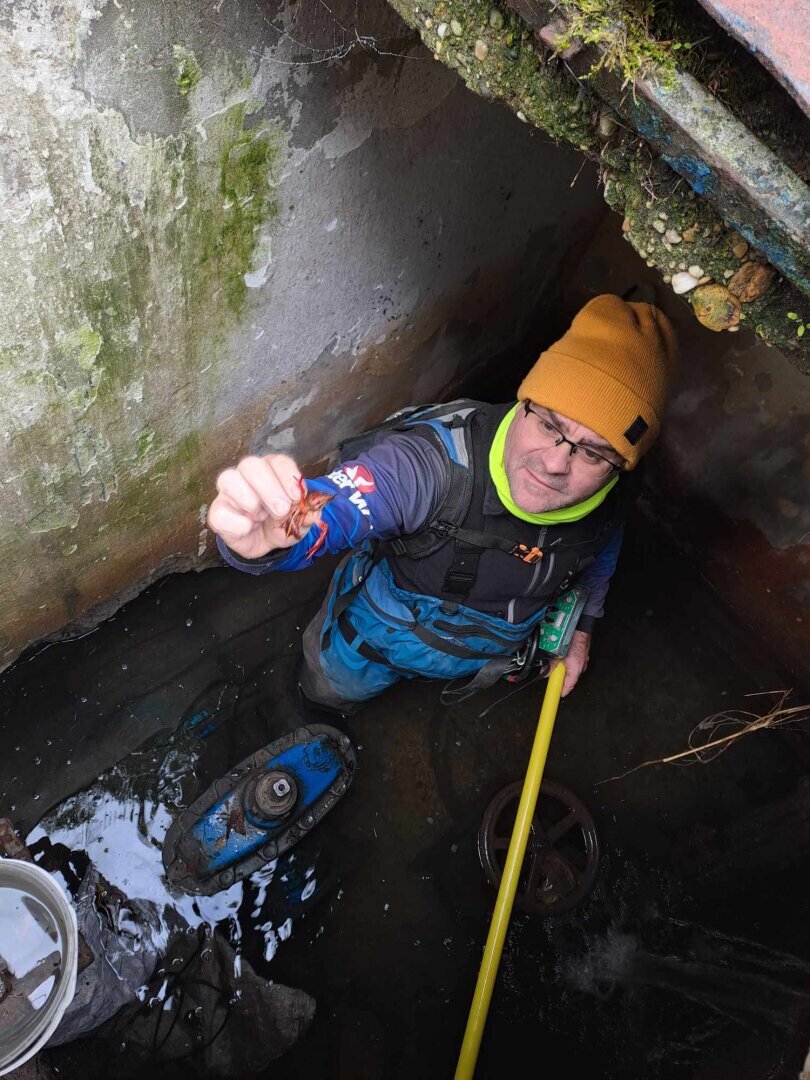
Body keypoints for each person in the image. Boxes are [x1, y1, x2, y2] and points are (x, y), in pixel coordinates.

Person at [208, 294, 677, 715]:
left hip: (481, 654)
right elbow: (352, 502)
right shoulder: (429, 468)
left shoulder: (608, 495)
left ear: (618, 467)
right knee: (325, 694)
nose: (555, 464)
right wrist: (276, 536)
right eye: (549, 424)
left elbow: (602, 550)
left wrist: (582, 631)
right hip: (369, 648)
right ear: (526, 400)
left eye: (593, 452)